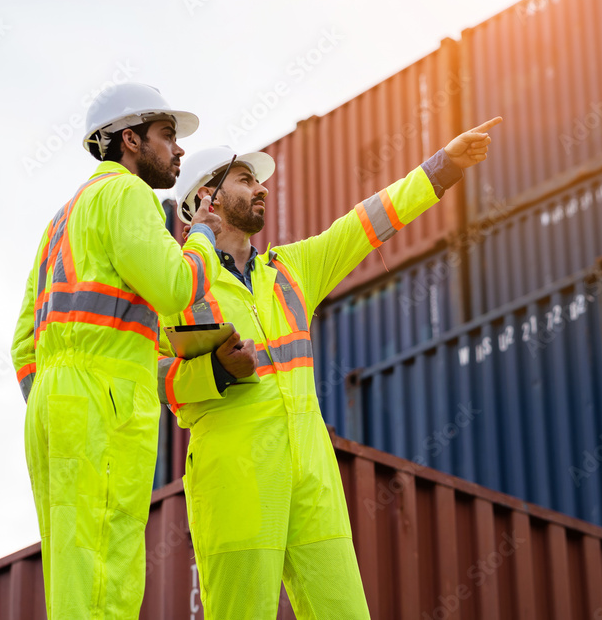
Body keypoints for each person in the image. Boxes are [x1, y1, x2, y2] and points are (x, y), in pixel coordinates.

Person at [157, 117, 502, 618]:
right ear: (206, 202)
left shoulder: (291, 270)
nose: (262, 188)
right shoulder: (178, 285)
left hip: (312, 477)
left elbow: (366, 223)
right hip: (235, 478)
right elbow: (155, 380)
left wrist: (443, 165)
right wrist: (217, 371)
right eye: (245, 180)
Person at [11, 82, 232, 619]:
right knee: (108, 573)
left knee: (74, 569)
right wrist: (202, 234)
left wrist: (59, 400)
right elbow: (175, 287)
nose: (179, 149)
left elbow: (23, 346)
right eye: (168, 135)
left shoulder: (60, 221)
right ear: (129, 140)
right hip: (103, 403)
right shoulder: (129, 195)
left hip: (54, 407)